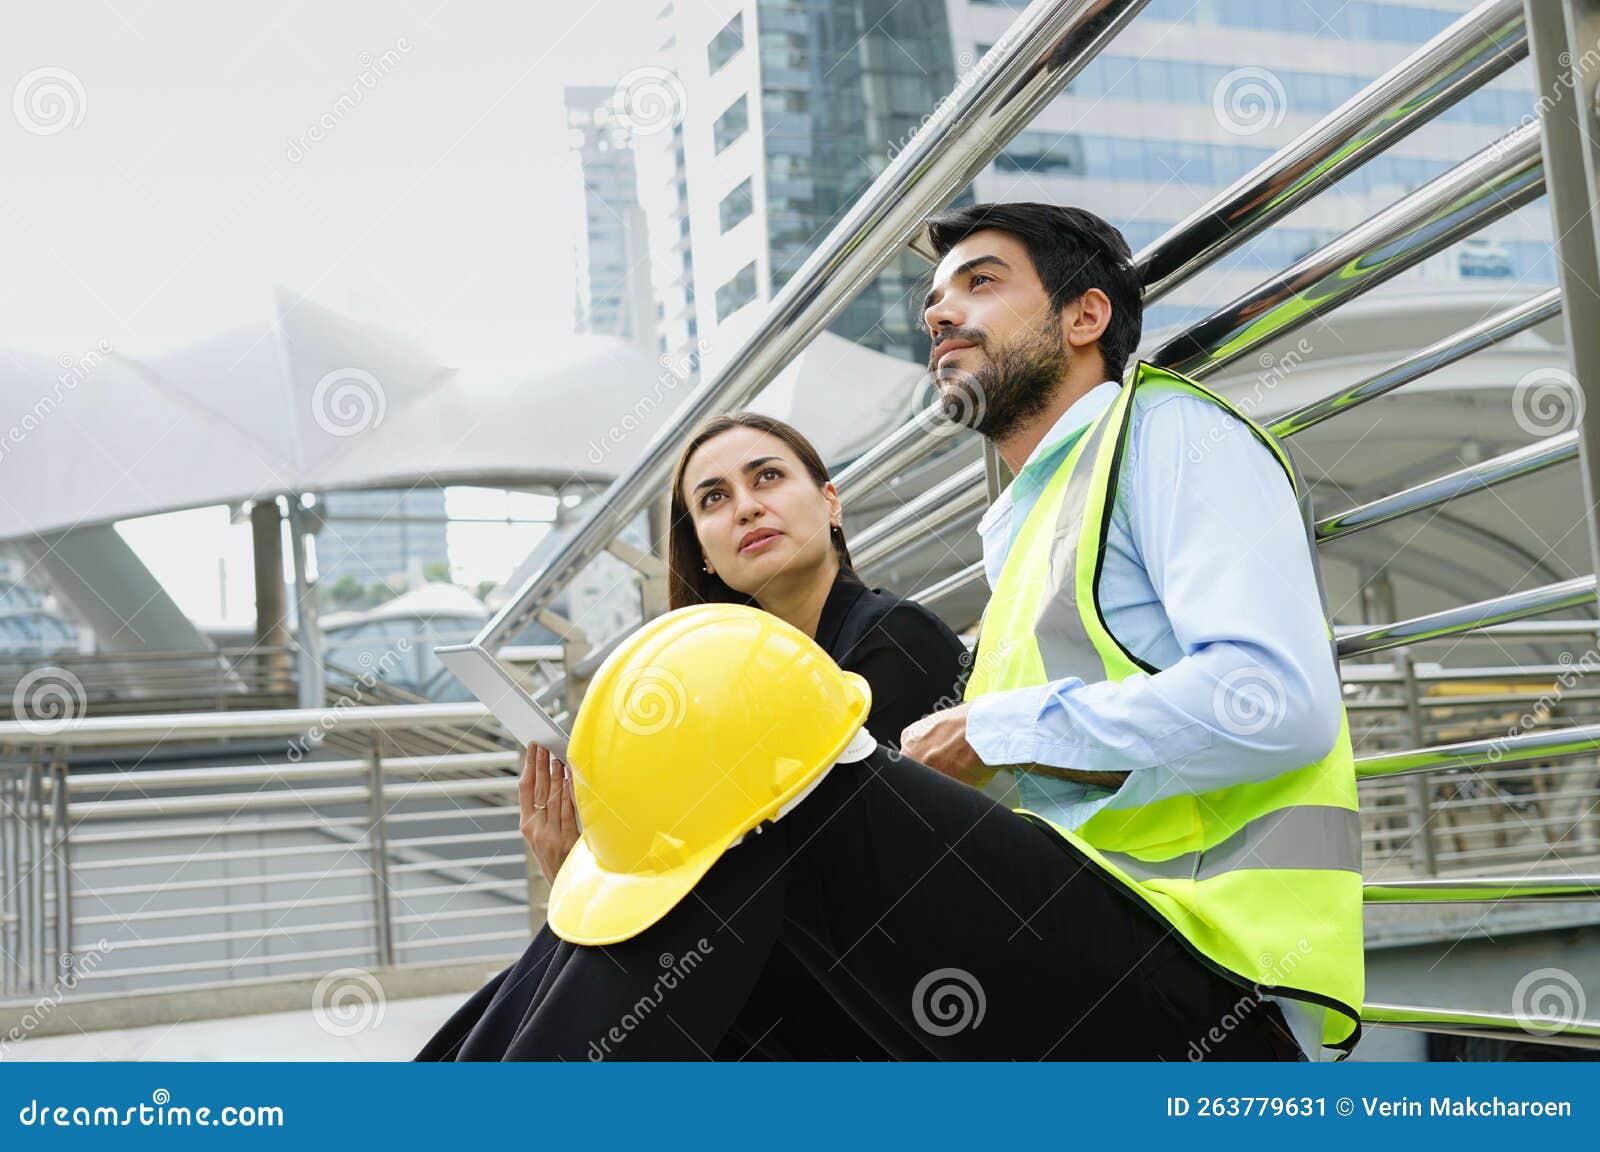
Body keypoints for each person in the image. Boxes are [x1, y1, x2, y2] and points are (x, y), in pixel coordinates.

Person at [420, 201, 1365, 1061]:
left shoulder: (1173, 434)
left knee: (783, 789)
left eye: (981, 283)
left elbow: (1278, 703)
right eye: (934, 301)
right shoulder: (1031, 523)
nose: (940, 314)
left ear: (1085, 316)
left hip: (1215, 982)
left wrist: (990, 730)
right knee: (726, 947)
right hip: (1099, 948)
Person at [417, 412, 968, 1061]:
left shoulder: (895, 640)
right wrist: (593, 864)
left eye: (767, 477)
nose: (746, 507)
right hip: (772, 963)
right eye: (714, 498)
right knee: (593, 937)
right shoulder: (726, 689)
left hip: (891, 989)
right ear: (704, 552)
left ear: (830, 503)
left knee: (654, 919)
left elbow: (830, 866)